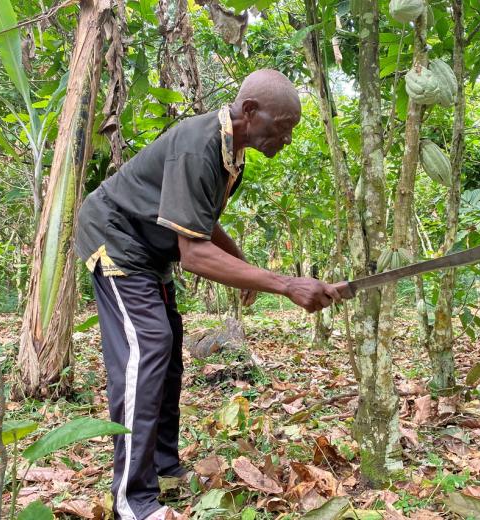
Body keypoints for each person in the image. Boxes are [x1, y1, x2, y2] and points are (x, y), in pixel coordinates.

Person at [75, 69, 343, 520]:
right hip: (116, 237)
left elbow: (200, 220)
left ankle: (163, 468)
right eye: (283, 127)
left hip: (149, 250)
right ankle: (133, 501)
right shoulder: (198, 143)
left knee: (168, 351)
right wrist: (283, 284)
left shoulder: (229, 153)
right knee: (147, 349)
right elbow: (195, 255)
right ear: (251, 112)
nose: (287, 139)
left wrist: (241, 263)